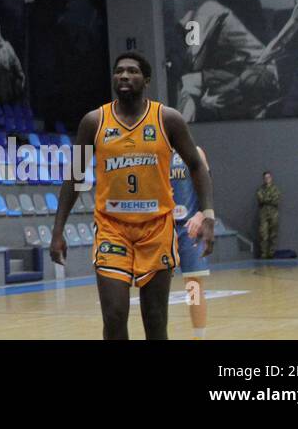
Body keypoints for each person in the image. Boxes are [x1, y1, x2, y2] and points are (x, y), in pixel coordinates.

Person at [50, 52, 215, 340]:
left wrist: (208, 214)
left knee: (154, 319)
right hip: (112, 229)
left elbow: (197, 166)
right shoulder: (94, 121)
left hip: (156, 229)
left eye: (132, 71)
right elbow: (75, 176)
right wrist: (57, 230)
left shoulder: (167, 119)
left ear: (147, 80)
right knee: (114, 316)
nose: (124, 76)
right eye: (119, 71)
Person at [169, 146, 212, 339]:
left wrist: (201, 214)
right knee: (155, 286)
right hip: (160, 227)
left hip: (189, 227)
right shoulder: (151, 152)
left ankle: (198, 336)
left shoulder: (194, 151)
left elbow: (207, 188)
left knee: (193, 285)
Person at [256, 171, 280, 259]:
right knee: (263, 234)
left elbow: (276, 200)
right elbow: (260, 199)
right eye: (265, 178)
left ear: (271, 178)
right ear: (263, 179)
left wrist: (266, 199)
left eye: (268, 177)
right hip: (263, 214)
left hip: (274, 214)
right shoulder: (260, 189)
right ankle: (264, 254)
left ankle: (271, 253)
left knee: (273, 234)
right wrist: (269, 199)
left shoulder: (275, 189)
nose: (267, 179)